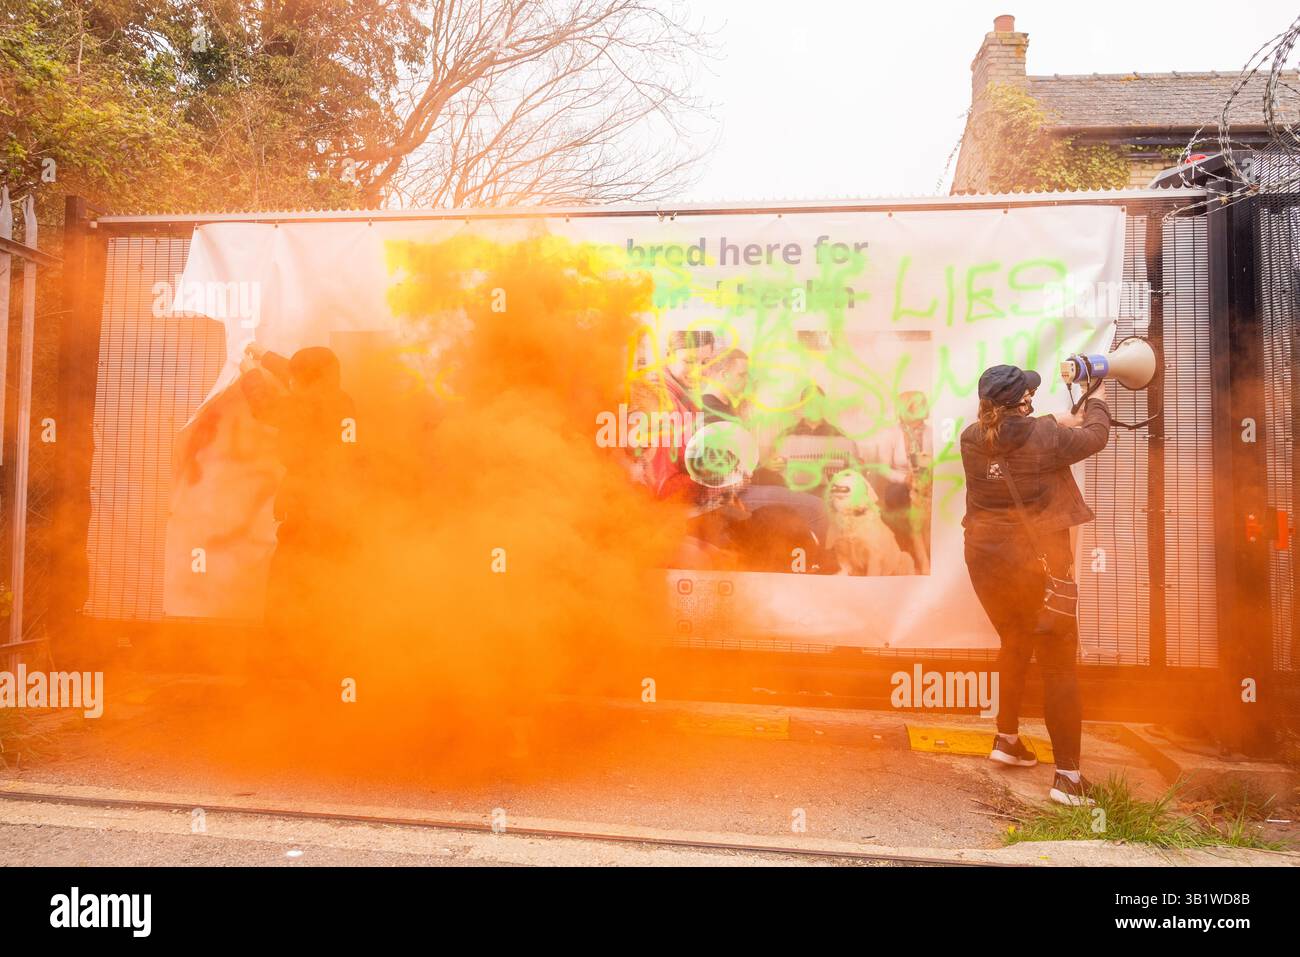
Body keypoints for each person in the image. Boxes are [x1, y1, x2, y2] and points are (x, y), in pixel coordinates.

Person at [959, 363, 1110, 806]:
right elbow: (1095, 436)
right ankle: (1068, 779)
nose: (1033, 395)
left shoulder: (971, 437)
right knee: (1059, 663)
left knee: (1013, 639)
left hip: (984, 558)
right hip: (1037, 562)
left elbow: (1022, 435)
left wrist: (1050, 423)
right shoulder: (1046, 436)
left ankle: (1007, 741)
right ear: (1022, 401)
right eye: (1029, 391)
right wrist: (1093, 396)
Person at [239, 342, 357, 671]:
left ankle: (285, 668)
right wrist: (265, 356)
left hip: (308, 514)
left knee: (289, 588)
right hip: (338, 513)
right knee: (327, 589)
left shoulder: (302, 408)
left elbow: (266, 407)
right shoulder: (340, 400)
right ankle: (326, 667)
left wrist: (250, 374)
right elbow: (300, 375)